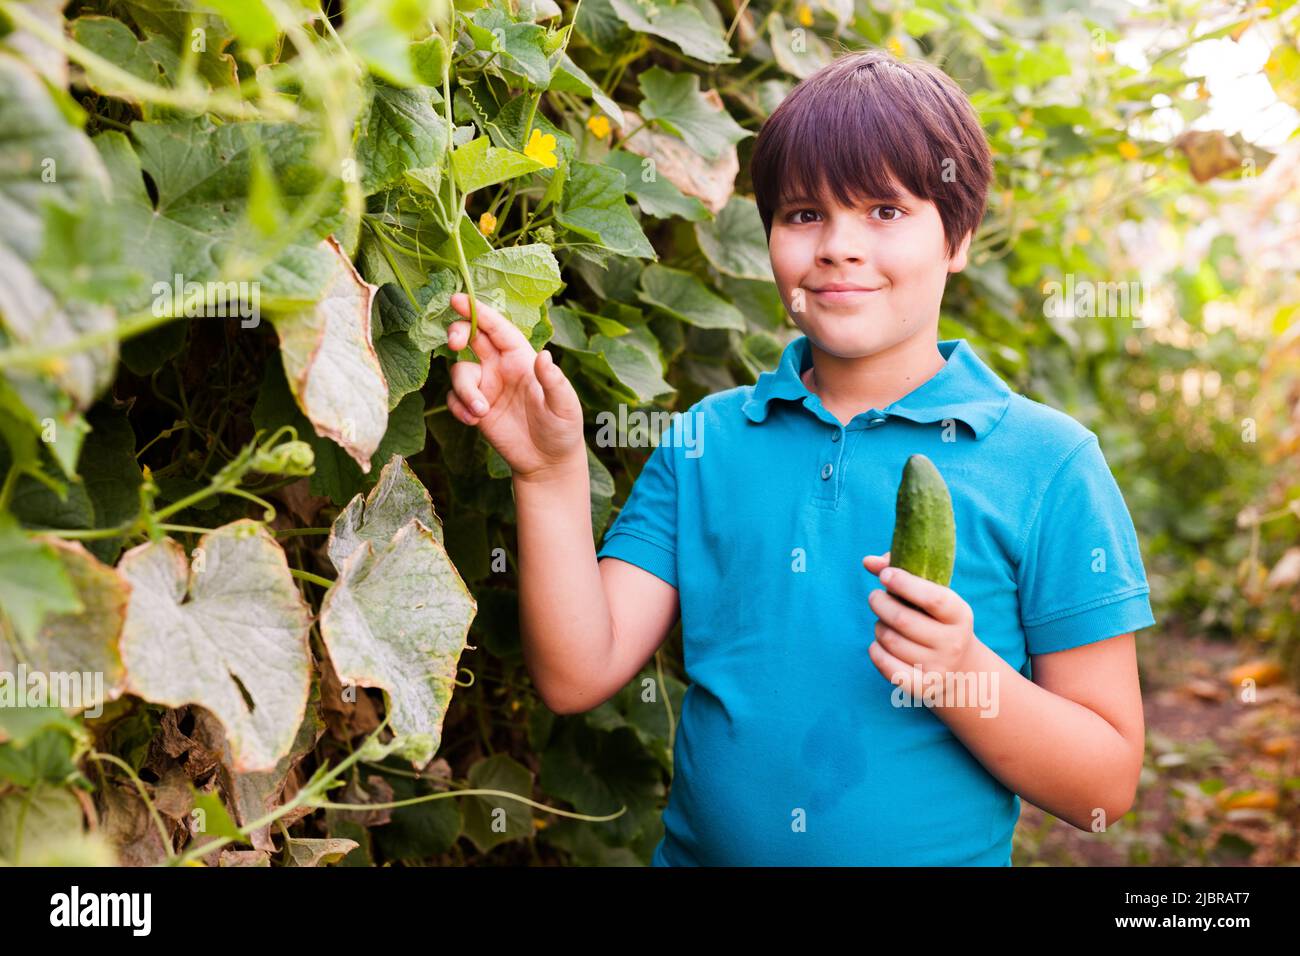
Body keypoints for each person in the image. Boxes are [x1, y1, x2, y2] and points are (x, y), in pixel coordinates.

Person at [442, 48, 1156, 866]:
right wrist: (550, 472)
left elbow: (1105, 788)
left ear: (958, 236)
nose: (837, 247)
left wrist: (963, 673)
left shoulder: (1048, 464)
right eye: (803, 214)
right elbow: (578, 673)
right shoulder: (707, 439)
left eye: (885, 211)